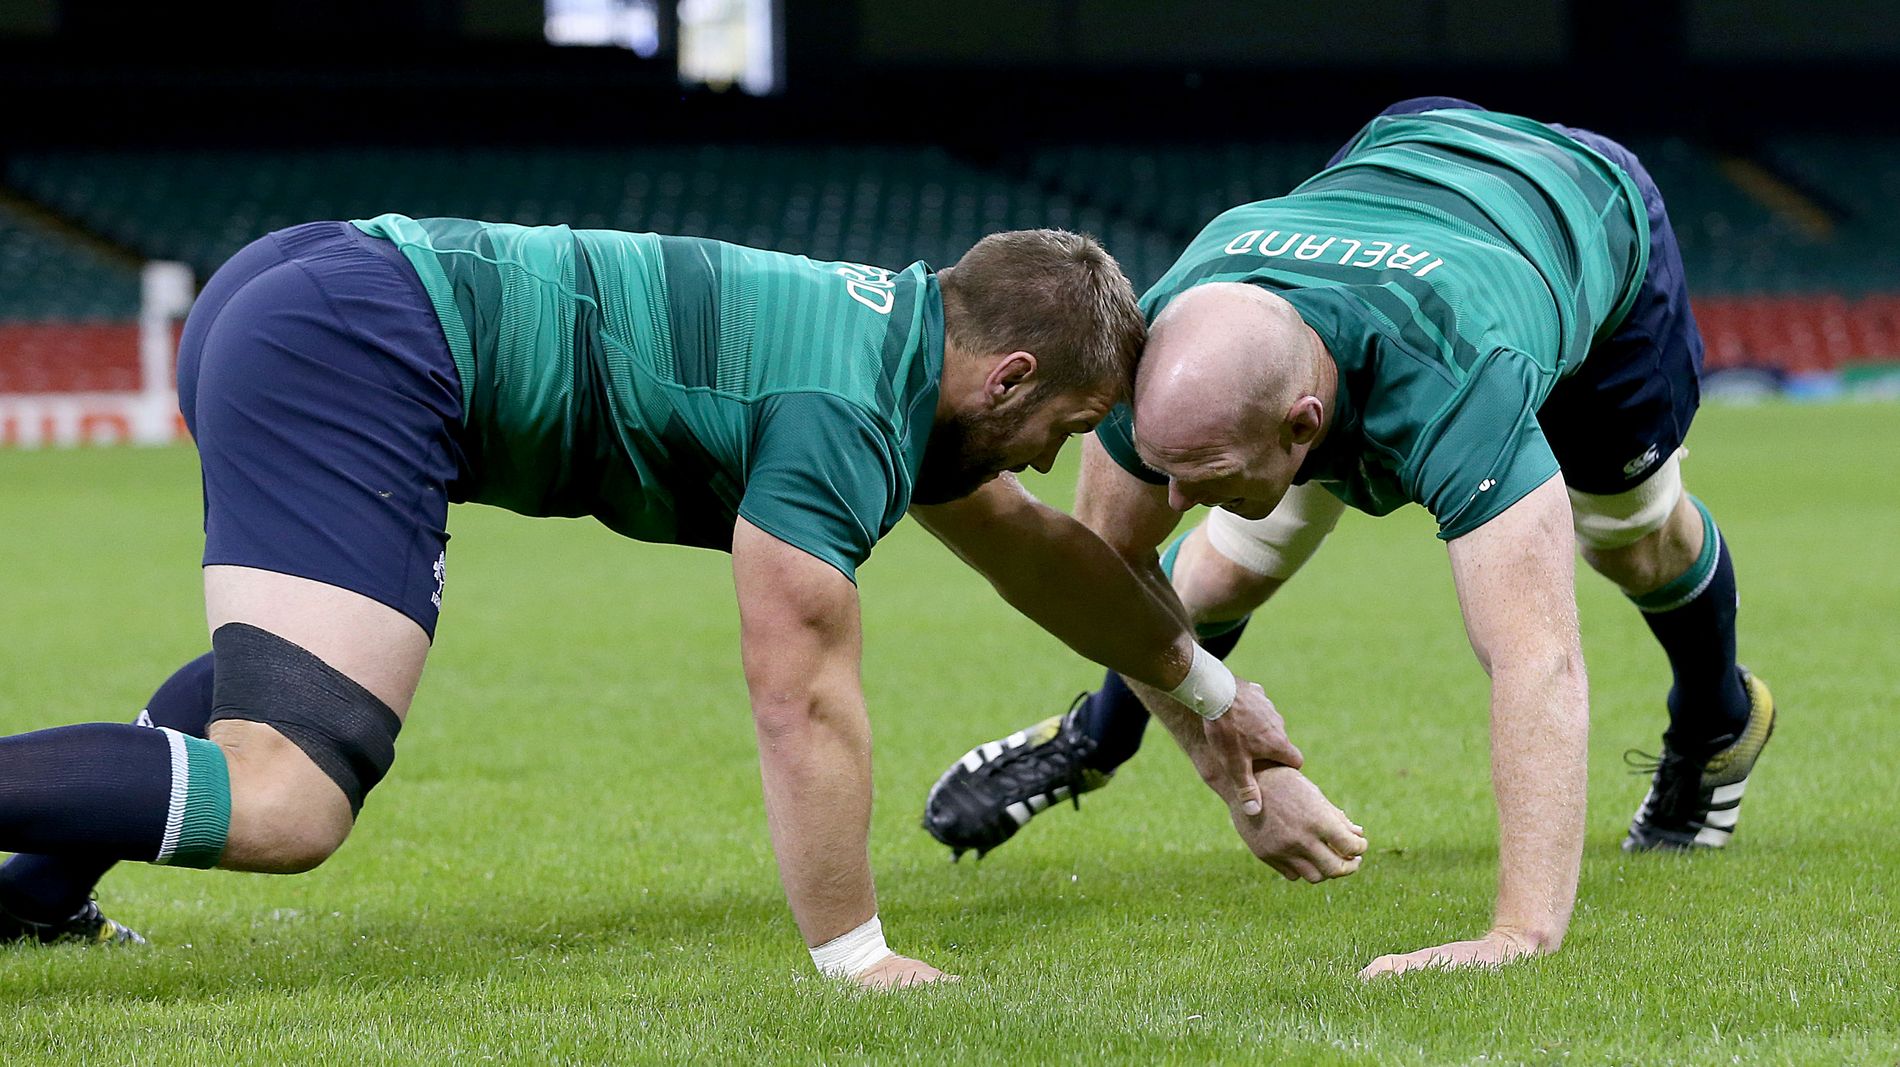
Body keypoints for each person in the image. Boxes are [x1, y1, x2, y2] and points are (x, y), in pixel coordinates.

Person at [0, 216, 1310, 989]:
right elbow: (796, 689)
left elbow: (1038, 554)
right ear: (1013, 378)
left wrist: (1207, 690)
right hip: (363, 344)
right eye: (1063, 428)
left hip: (320, 291)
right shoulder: (851, 407)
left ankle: (36, 893)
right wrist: (857, 953)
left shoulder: (900, 350)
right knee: (289, 795)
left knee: (278, 690)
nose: (1044, 463)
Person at [922, 98, 1776, 977]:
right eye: (1164, 466)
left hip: (1582, 214)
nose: (1175, 496)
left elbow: (1537, 659)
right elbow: (1106, 575)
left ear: (1305, 426)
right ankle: (1095, 737)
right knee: (1214, 576)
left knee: (1630, 538)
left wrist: (1514, 934)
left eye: (1201, 472)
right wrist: (1246, 774)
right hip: (1405, 156)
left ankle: (1717, 723)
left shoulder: (1460, 385)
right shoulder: (1158, 343)